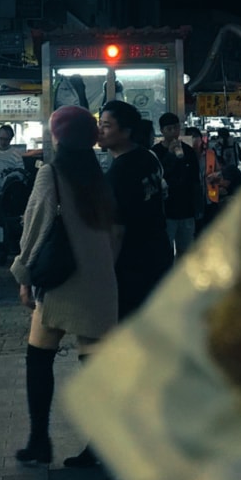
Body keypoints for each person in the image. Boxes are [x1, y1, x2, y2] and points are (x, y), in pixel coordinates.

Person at [10, 105, 118, 467]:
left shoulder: (50, 173)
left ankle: (39, 440)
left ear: (58, 135)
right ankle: (102, 446)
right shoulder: (99, 173)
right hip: (99, 277)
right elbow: (114, 230)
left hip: (62, 279)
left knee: (39, 356)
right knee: (94, 361)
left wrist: (23, 274)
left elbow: (36, 226)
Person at [98, 100, 173, 320]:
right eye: (100, 124)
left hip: (133, 266)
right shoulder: (148, 157)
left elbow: (117, 230)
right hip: (159, 253)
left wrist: (106, 273)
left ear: (126, 131)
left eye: (107, 125)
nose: (100, 131)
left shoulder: (118, 174)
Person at [152, 112, 201, 259]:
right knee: (165, 252)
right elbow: (158, 175)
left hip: (186, 209)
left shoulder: (188, 151)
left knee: (185, 253)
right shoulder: (156, 152)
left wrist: (198, 208)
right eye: (169, 129)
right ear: (162, 131)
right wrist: (170, 155)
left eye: (176, 128)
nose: (174, 132)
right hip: (166, 211)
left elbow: (195, 179)